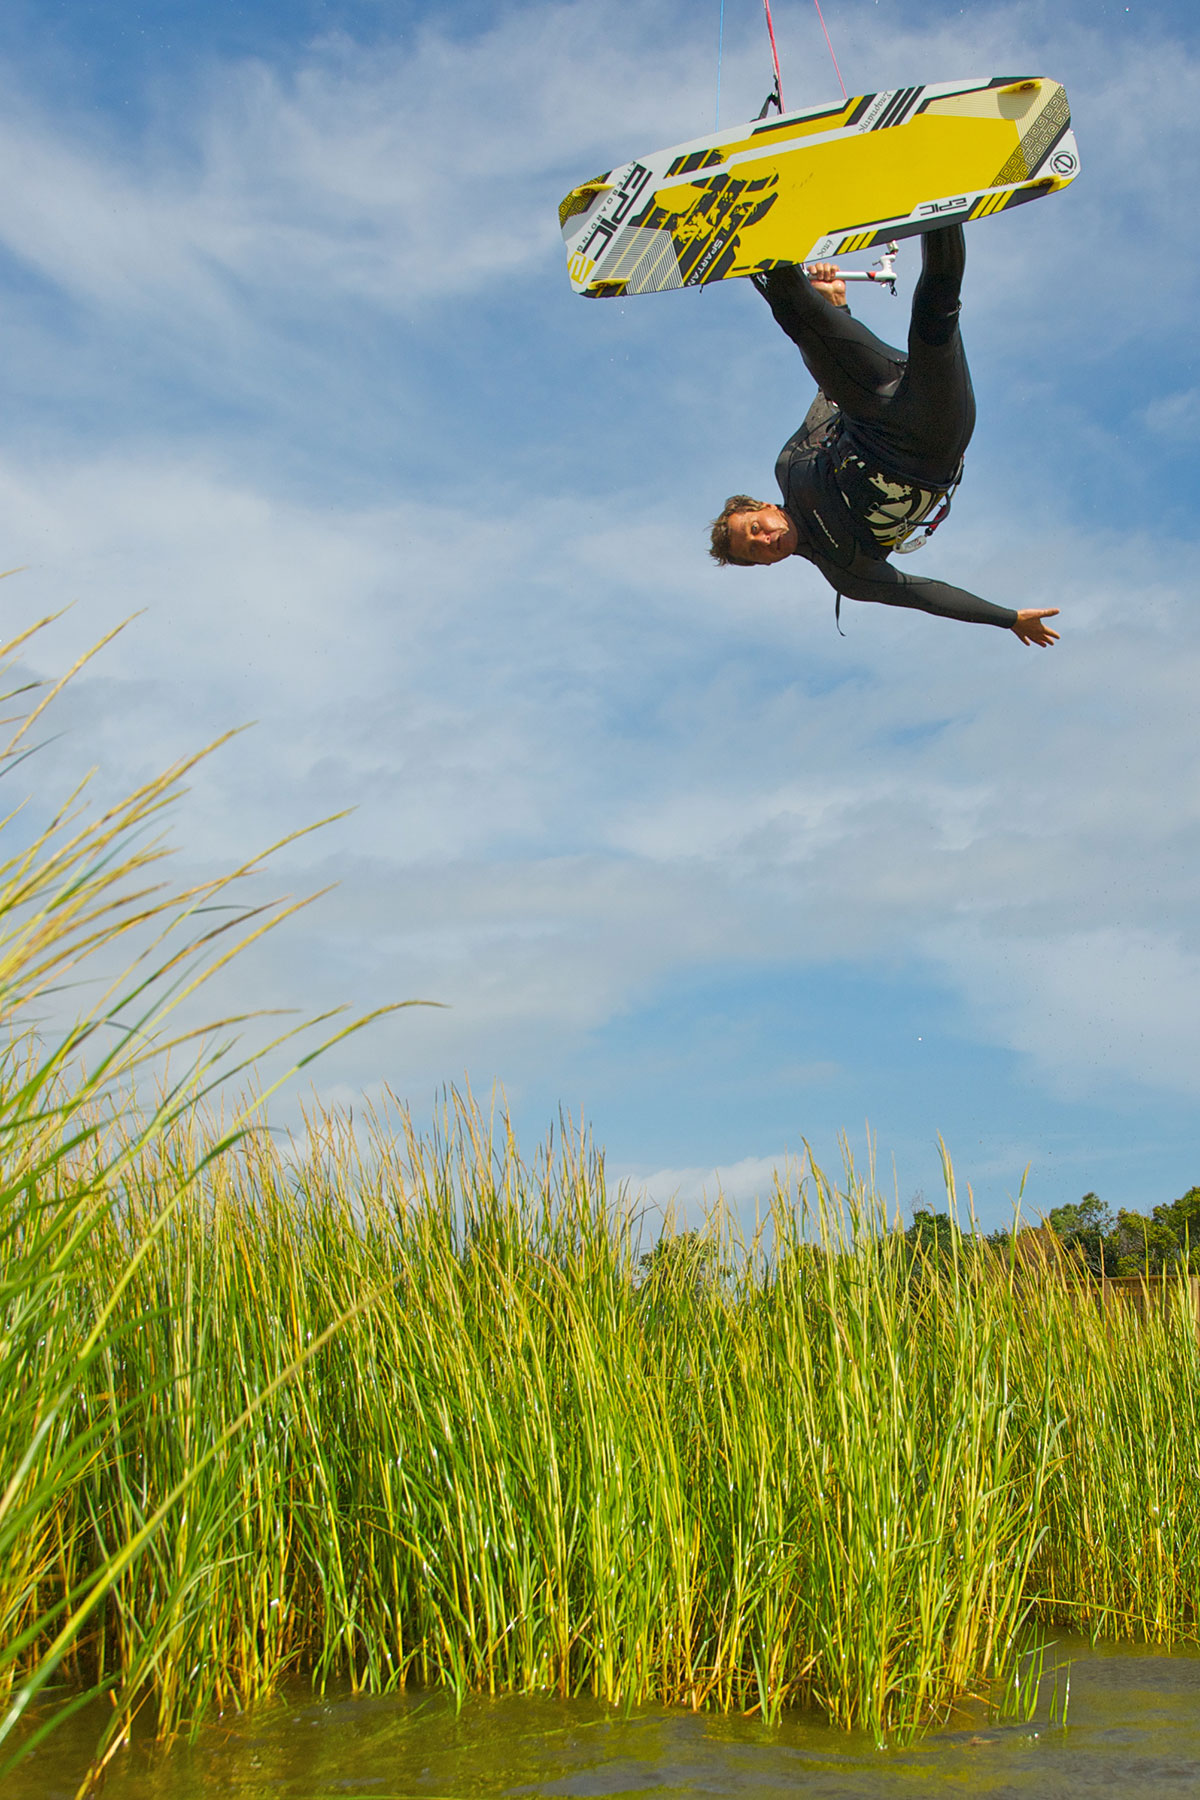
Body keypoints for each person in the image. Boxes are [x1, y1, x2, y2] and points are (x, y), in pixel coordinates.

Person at [709, 223, 1060, 647]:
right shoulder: (848, 571)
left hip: (875, 407)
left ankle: (751, 231)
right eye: (756, 549)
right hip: (935, 437)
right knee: (937, 312)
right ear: (764, 564)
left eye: (755, 528)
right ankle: (945, 200)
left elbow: (831, 388)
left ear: (763, 507)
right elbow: (925, 596)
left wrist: (837, 309)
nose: (765, 540)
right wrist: (1007, 618)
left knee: (802, 323)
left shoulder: (792, 466)